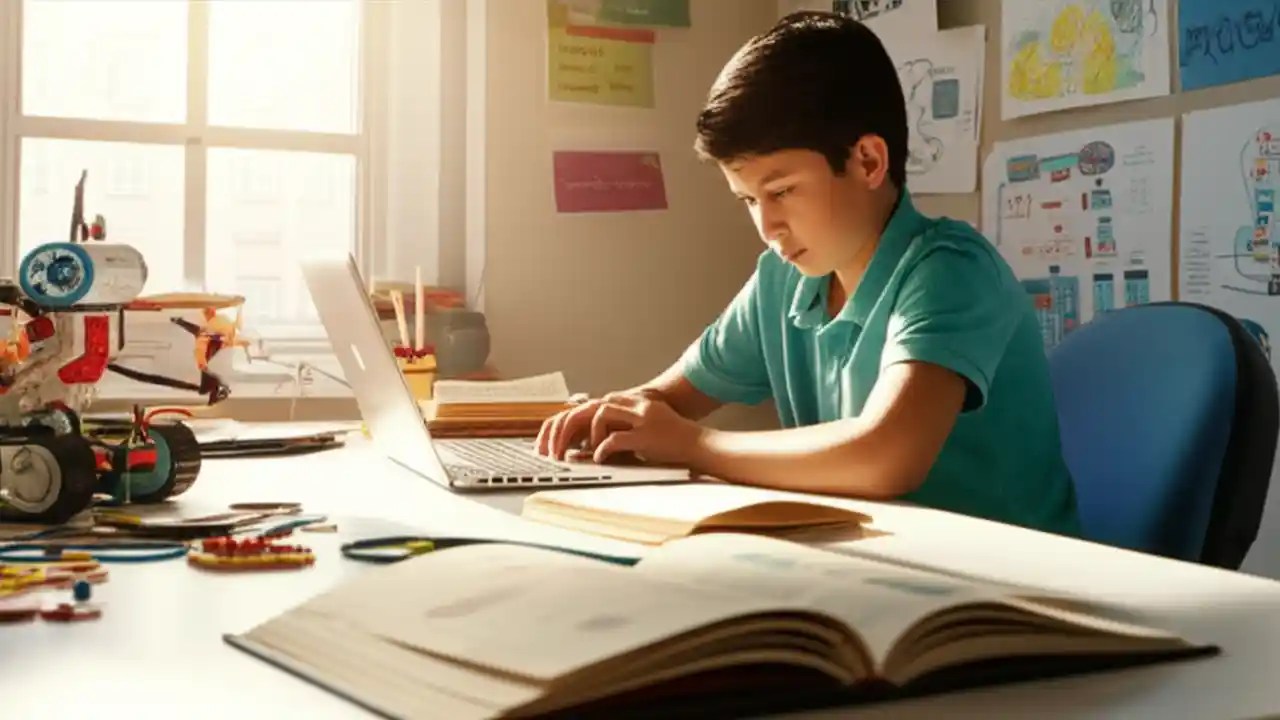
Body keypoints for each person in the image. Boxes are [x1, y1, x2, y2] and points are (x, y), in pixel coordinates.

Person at [535, 11, 1081, 536]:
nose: (767, 226)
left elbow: (886, 457)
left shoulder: (951, 270)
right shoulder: (784, 279)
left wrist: (696, 445)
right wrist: (602, 417)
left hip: (1016, 596)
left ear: (868, 161)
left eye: (781, 191)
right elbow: (663, 403)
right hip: (884, 574)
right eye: (748, 199)